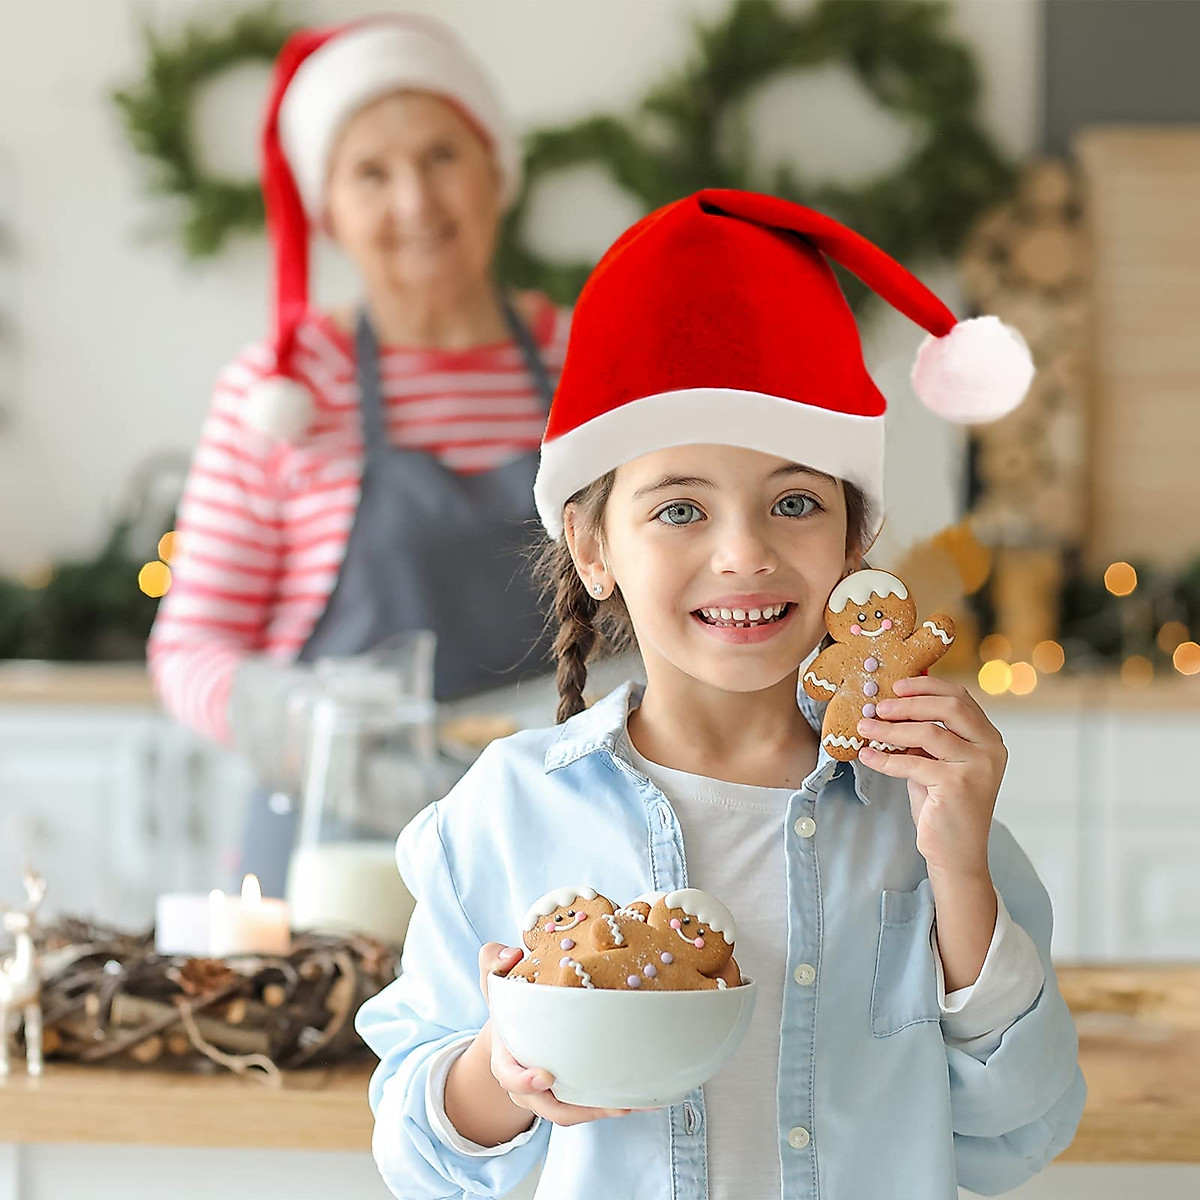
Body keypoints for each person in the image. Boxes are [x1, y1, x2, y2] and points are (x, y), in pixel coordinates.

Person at [354, 190, 1085, 1200]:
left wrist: (959, 872)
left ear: (853, 542)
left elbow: (1022, 1135)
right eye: (680, 509)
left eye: (793, 503)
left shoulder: (923, 807)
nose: (743, 554)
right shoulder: (507, 812)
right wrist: (504, 1069)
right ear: (593, 546)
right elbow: (417, 1154)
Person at [148, 15, 569, 893]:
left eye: (442, 156)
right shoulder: (285, 392)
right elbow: (189, 646)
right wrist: (320, 731)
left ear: (497, 168)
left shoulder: (588, 362)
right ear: (328, 211)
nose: (415, 202)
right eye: (371, 173)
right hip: (332, 840)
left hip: (552, 833)